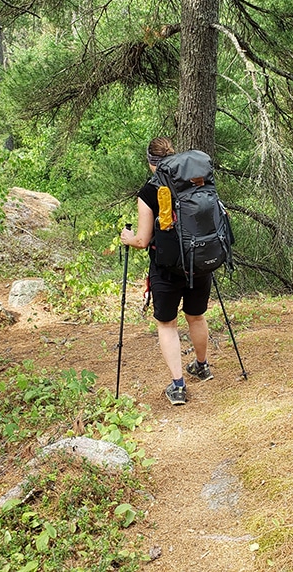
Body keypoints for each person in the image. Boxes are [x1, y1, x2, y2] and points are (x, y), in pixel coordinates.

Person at [120, 137, 214, 405]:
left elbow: (142, 240)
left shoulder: (149, 191)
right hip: (199, 262)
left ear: (151, 162)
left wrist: (127, 238)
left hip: (167, 268)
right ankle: (202, 366)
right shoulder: (196, 181)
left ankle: (178, 386)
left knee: (167, 325)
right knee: (196, 317)